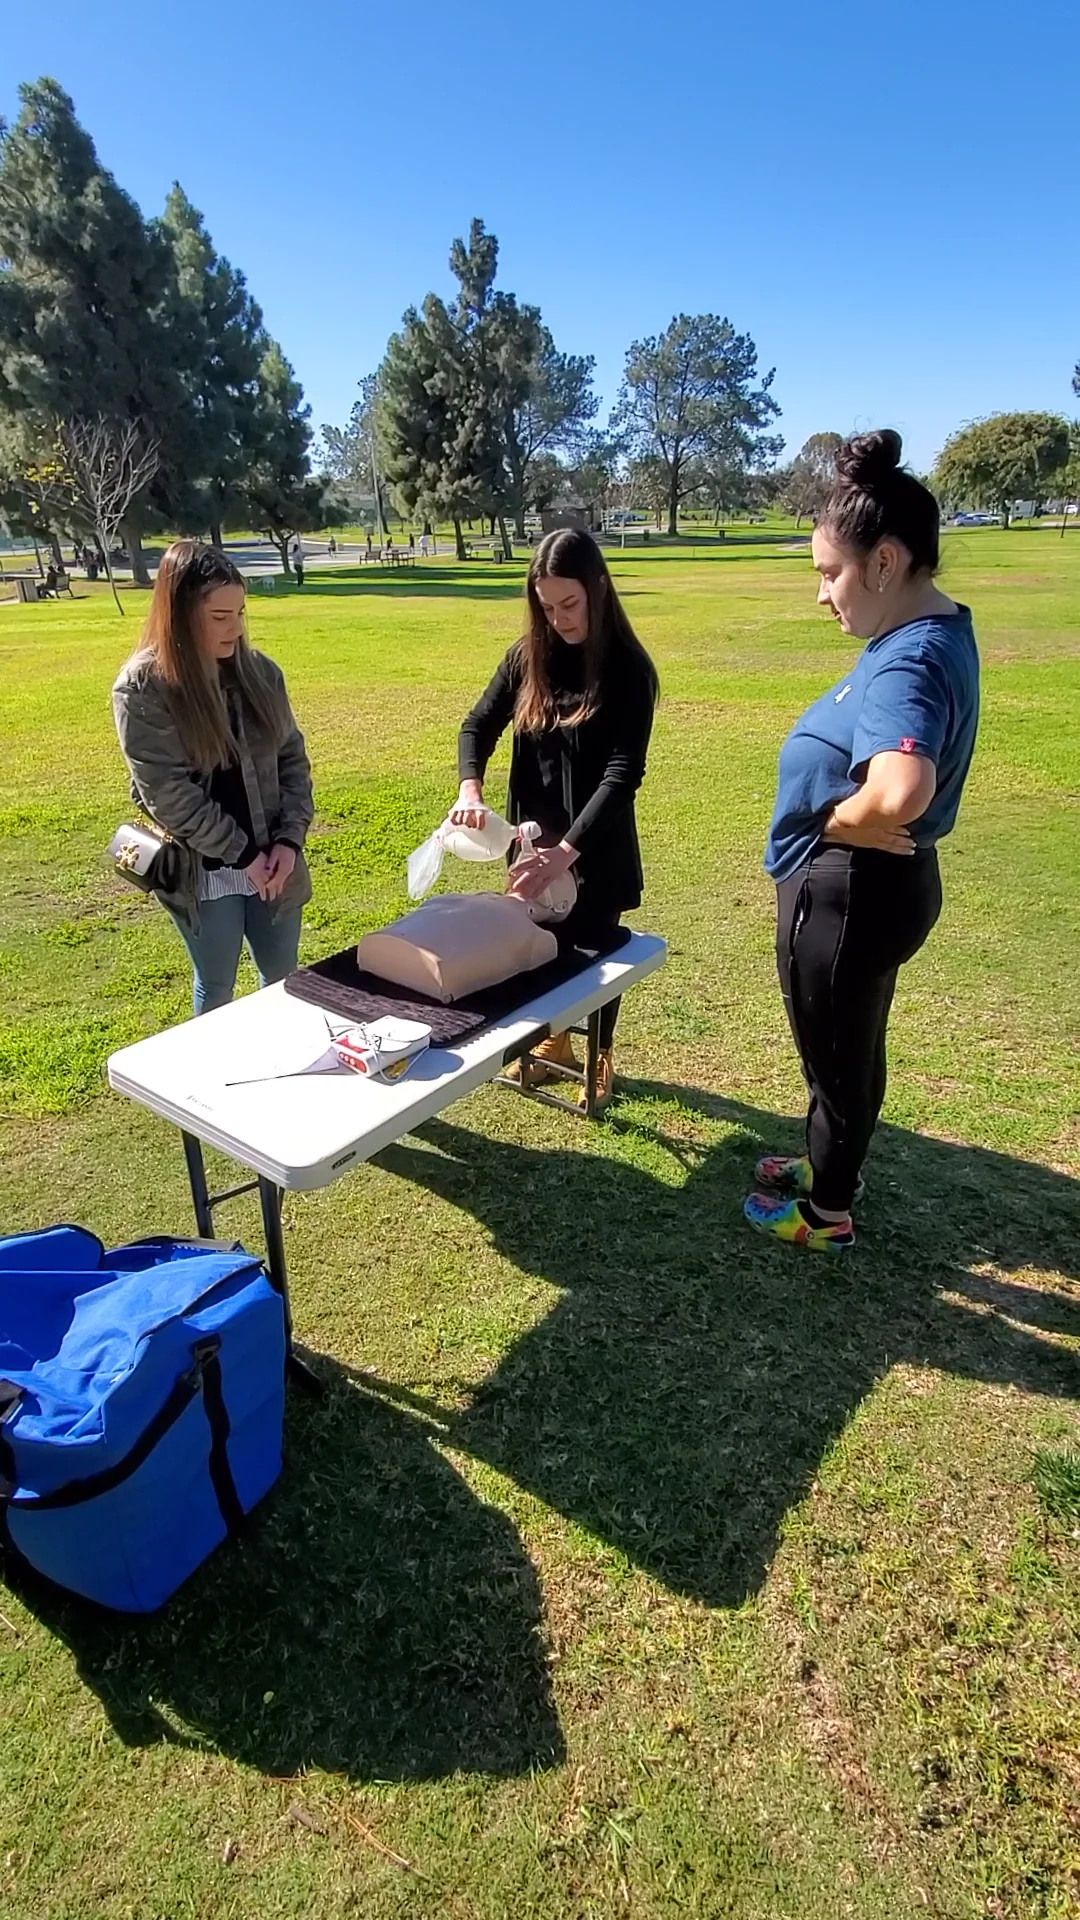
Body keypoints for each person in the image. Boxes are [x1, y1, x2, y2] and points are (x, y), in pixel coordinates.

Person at [745, 432, 980, 1253]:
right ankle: (827, 1165)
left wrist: (831, 821)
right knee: (849, 1042)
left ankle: (826, 1215)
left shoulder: (910, 660)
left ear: (884, 562)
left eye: (829, 572)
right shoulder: (930, 630)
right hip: (872, 891)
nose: (821, 594)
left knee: (837, 1056)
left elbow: (901, 788)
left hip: (851, 891)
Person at [453, 526, 659, 1112]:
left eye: (569, 604)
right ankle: (556, 1042)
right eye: (547, 608)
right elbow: (477, 725)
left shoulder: (628, 670)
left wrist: (567, 852)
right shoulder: (527, 658)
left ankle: (600, 1052)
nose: (559, 619)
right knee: (539, 945)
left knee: (597, 955)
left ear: (598, 588)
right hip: (531, 841)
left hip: (593, 841)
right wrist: (471, 787)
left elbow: (623, 774)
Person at [112, 541, 313, 1015]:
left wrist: (288, 842)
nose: (236, 628)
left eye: (240, 613)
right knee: (217, 984)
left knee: (282, 979)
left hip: (274, 859)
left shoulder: (260, 673)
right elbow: (168, 794)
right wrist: (242, 855)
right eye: (220, 616)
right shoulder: (142, 688)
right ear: (180, 614)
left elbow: (293, 759)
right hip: (204, 869)